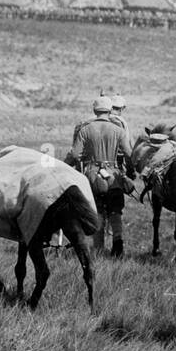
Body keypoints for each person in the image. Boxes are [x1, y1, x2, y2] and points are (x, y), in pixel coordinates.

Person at [68, 96, 135, 257]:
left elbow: (75, 154)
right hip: (113, 176)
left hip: (92, 176)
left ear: (94, 110)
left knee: (96, 211)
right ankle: (117, 243)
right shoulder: (118, 130)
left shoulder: (85, 129)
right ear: (110, 110)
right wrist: (129, 172)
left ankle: (98, 250)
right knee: (115, 212)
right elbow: (129, 154)